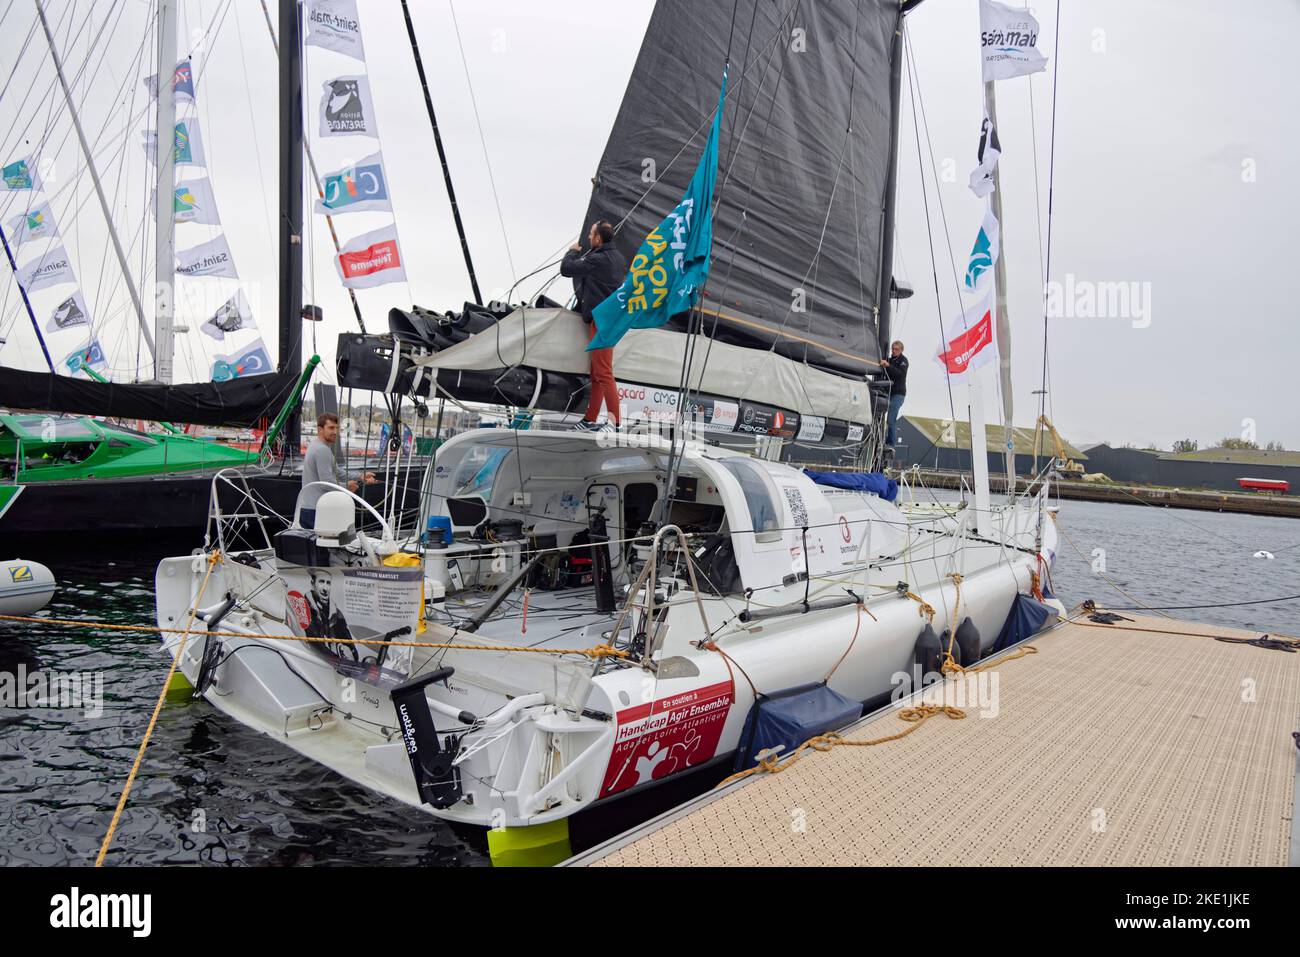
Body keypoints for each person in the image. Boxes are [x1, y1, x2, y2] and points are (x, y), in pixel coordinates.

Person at [560, 220, 627, 431]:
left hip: (604, 322)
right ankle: (590, 419)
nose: (589, 237)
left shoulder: (599, 259)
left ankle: (615, 423)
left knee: (603, 372)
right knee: (597, 372)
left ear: (598, 238)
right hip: (607, 320)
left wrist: (571, 252)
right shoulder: (617, 258)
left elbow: (567, 269)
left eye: (591, 234)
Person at [300, 412, 376, 523]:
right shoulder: (322, 450)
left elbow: (337, 472)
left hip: (309, 508)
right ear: (320, 429)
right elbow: (326, 483)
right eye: (331, 428)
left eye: (337, 428)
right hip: (316, 511)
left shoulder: (315, 445)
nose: (335, 432)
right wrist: (346, 488)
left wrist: (360, 476)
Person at [883, 340, 908, 446]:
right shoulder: (889, 360)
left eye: (896, 349)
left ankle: (890, 443)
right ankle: (879, 439)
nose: (893, 351)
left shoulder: (903, 361)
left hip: (898, 394)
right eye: (892, 349)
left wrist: (888, 366)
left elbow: (900, 374)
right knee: (879, 417)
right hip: (887, 392)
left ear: (901, 350)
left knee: (890, 419)